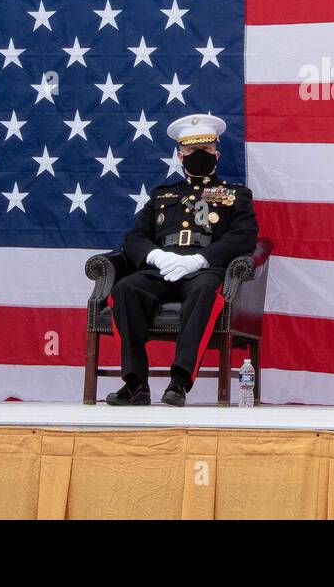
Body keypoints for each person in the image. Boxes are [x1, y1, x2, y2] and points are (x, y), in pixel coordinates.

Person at [108, 113, 259, 407]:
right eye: (191, 150)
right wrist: (156, 256)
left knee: (204, 292)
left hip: (203, 270)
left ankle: (179, 382)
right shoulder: (162, 195)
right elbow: (135, 236)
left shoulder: (235, 195)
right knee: (126, 289)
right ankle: (136, 384)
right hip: (163, 268)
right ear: (180, 155)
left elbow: (243, 237)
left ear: (217, 152)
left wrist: (201, 259)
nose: (198, 155)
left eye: (205, 149)